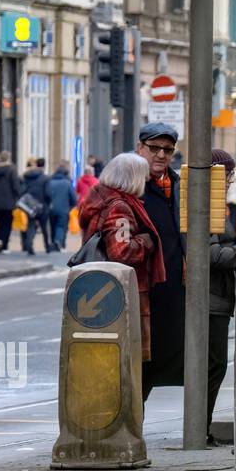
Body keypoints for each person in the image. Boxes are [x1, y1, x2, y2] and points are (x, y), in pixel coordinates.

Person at [77, 153, 166, 364]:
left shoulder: (100, 197)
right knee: (126, 359)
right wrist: (146, 240)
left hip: (101, 288)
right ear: (131, 177)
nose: (146, 180)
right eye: (143, 175)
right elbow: (121, 252)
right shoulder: (120, 206)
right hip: (120, 291)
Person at [135, 122, 185, 401]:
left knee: (163, 356)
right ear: (140, 148)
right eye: (154, 148)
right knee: (137, 360)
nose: (161, 155)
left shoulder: (177, 186)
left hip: (172, 287)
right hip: (142, 287)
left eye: (167, 150)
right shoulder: (131, 186)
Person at [207, 149, 236, 444]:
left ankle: (201, 427)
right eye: (228, 174)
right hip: (210, 299)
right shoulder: (205, 206)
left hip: (218, 298)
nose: (230, 179)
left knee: (214, 365)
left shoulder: (219, 204)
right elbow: (209, 254)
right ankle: (199, 428)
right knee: (214, 364)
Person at [20, 156, 51, 254]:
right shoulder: (45, 178)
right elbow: (48, 193)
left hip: (30, 205)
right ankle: (47, 246)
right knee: (44, 228)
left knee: (30, 226)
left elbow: (23, 190)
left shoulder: (26, 177)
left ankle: (29, 246)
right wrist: (48, 202)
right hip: (42, 205)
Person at [45, 160, 77, 252]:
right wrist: (71, 206)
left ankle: (53, 243)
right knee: (61, 226)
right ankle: (59, 242)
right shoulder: (67, 183)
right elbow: (73, 197)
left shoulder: (50, 181)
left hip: (51, 208)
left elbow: (46, 194)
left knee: (52, 226)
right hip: (63, 209)